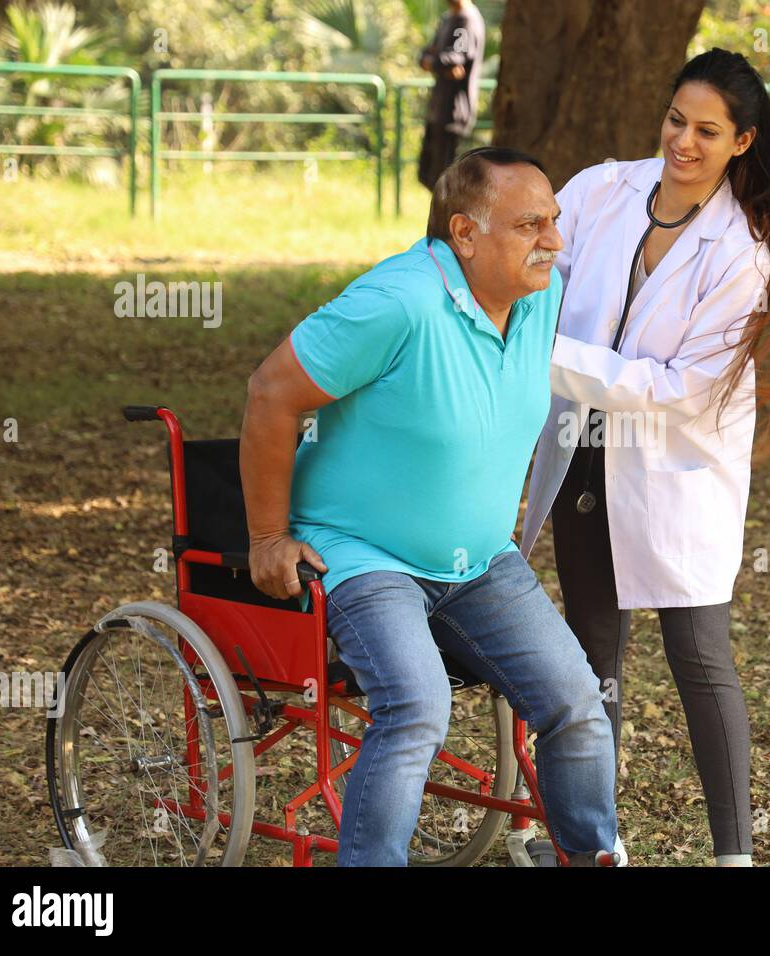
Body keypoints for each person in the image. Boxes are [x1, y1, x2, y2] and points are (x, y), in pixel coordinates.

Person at [240, 146, 620, 867]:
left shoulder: (541, 296)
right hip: (363, 554)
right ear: (465, 233)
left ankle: (587, 856)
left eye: (556, 221)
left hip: (479, 559)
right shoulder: (398, 302)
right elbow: (270, 392)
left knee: (578, 701)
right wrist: (267, 536)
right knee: (417, 706)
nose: (555, 241)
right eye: (531, 225)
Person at [520, 48, 770, 867]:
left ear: (742, 142)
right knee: (593, 662)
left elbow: (677, 389)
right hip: (583, 452)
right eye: (675, 120)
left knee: (699, 655)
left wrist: (544, 357)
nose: (683, 143)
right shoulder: (601, 189)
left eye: (707, 130)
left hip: (675, 466)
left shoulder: (743, 250)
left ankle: (735, 856)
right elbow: (530, 264)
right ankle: (593, 844)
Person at [417, 0, 487, 191]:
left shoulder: (467, 20)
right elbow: (425, 55)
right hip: (437, 110)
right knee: (427, 175)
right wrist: (436, 62)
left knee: (448, 184)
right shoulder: (448, 18)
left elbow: (456, 59)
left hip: (454, 113)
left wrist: (434, 62)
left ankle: (449, 220)